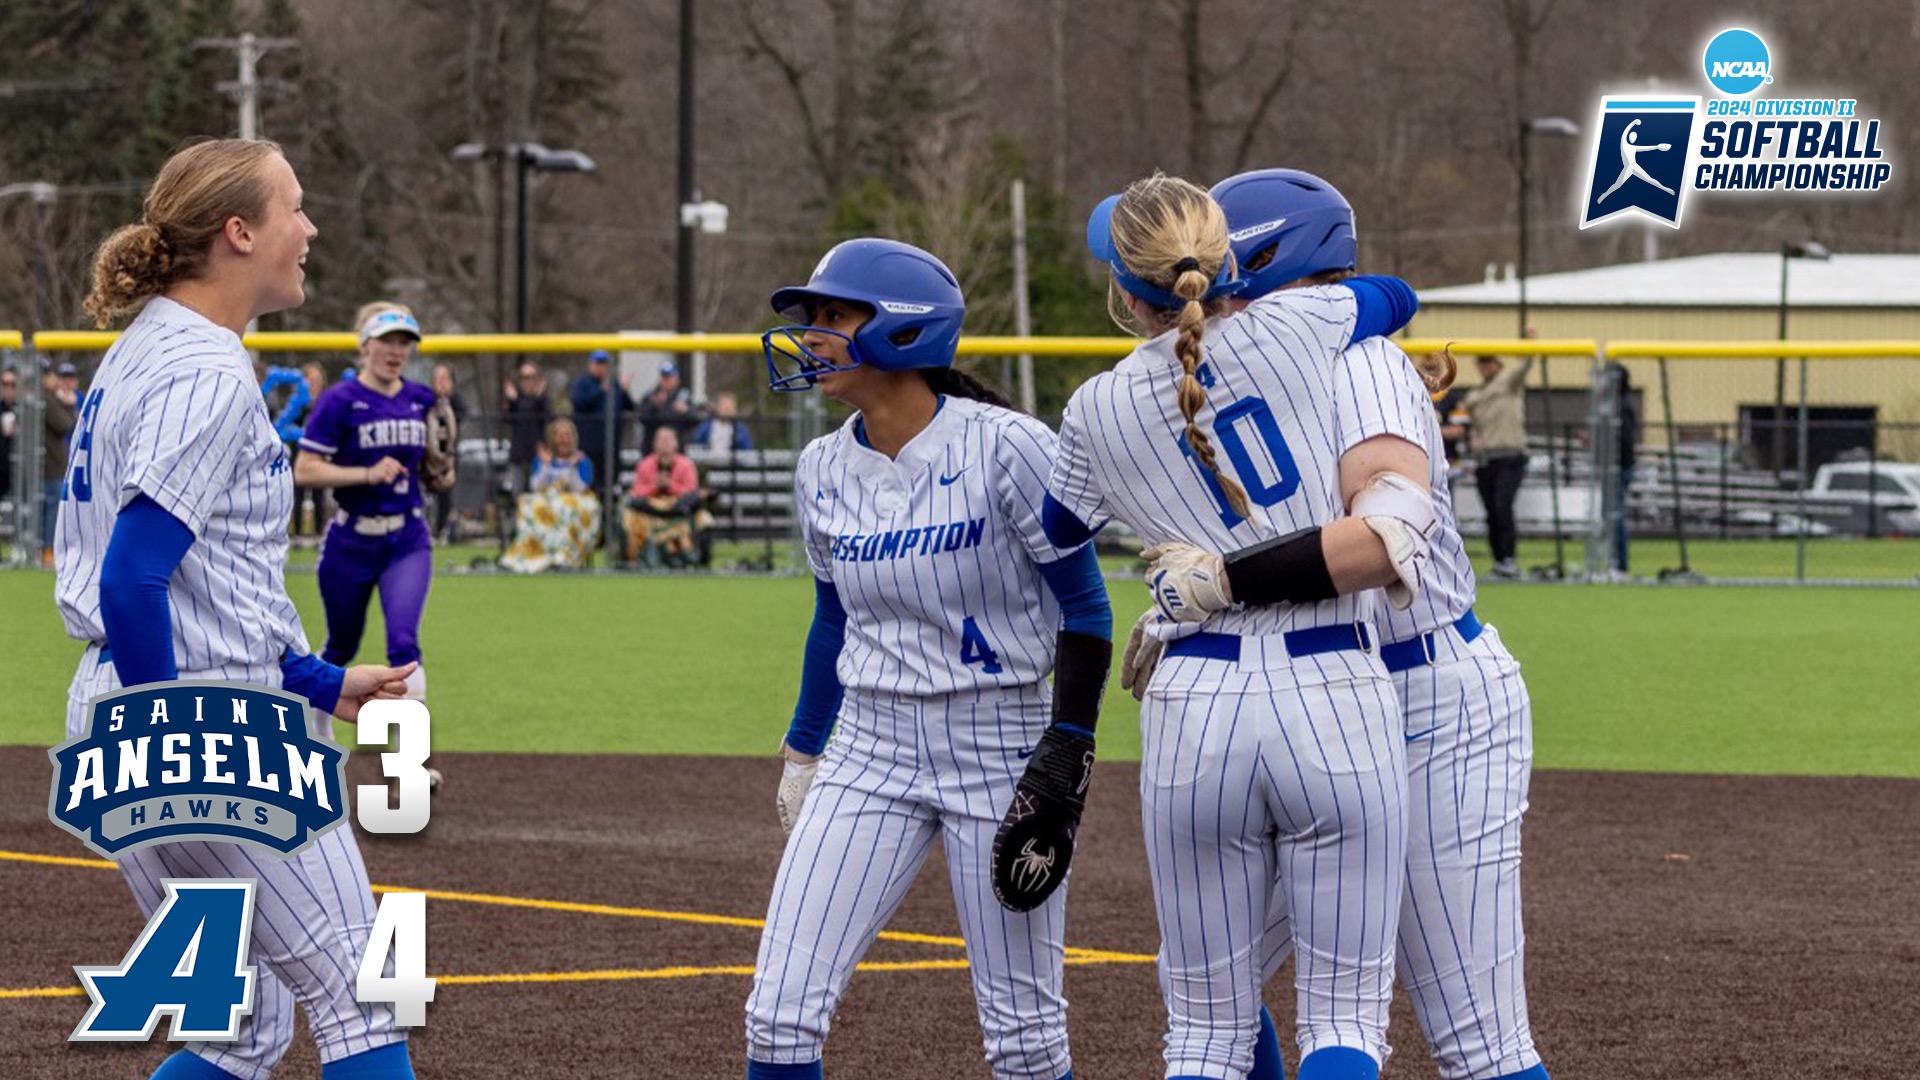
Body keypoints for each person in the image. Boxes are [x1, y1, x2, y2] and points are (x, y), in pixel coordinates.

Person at [1137, 167, 1550, 1080]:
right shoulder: (1242, 364)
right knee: (1206, 987)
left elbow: (1380, 537)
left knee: (1476, 1035)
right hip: (1309, 701)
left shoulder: (1361, 362)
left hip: (1425, 698)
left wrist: (1218, 587)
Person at [1042, 172, 1422, 1080]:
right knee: (1344, 1021)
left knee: (1205, 1033)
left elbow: (1057, 530)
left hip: (1195, 695)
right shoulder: (1302, 324)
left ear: (1123, 291)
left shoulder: (1095, 407)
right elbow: (1396, 297)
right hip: (1335, 681)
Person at [55, 136, 419, 1080]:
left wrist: (317, 679)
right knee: (366, 991)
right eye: (293, 207)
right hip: (193, 713)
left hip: (135, 695)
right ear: (239, 232)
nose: (310, 227)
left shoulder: (149, 349)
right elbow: (132, 578)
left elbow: (207, 581)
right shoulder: (204, 372)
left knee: (241, 1026)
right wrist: (165, 731)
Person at [743, 237, 1112, 1080]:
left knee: (1026, 1040)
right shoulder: (821, 466)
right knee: (778, 1017)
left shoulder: (1008, 445)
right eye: (812, 317)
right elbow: (831, 620)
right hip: (868, 747)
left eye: (834, 315)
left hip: (1000, 744)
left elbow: (1087, 607)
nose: (812, 334)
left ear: (904, 329)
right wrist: (803, 750)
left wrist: (1068, 746)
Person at [293, 302, 439, 718]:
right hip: (351, 540)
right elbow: (305, 469)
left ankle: (408, 754)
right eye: (387, 341)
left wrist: (440, 467)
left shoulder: (420, 399)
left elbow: (434, 458)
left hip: (407, 538)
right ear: (365, 345)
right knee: (342, 644)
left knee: (404, 643)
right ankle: (315, 726)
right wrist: (367, 473)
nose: (396, 351)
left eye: (404, 342)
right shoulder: (340, 400)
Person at [1462, 333, 1536, 580]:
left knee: (1503, 506)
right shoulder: (1475, 394)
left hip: (1510, 456)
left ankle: (1508, 560)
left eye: (1489, 361)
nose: (1485, 366)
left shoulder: (1508, 382)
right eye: (1481, 362)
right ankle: (1498, 561)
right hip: (1486, 458)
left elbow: (1524, 365)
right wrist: (1473, 437)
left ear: (1497, 363)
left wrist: (1530, 343)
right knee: (1492, 511)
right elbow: (1471, 423)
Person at [501, 416, 601, 572]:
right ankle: (533, 552)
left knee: (566, 507)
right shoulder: (543, 460)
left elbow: (581, 488)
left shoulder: (581, 460)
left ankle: (565, 555)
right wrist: (545, 465)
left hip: (573, 500)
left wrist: (572, 468)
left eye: (566, 436)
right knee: (528, 503)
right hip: (548, 500)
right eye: (559, 435)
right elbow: (536, 486)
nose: (563, 440)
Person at [621, 425, 703, 567]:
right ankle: (637, 560)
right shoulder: (645, 465)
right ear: (654, 444)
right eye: (660, 439)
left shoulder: (686, 465)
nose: (664, 443)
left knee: (702, 519)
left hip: (678, 513)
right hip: (648, 512)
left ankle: (685, 559)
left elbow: (692, 493)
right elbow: (636, 493)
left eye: (668, 439)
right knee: (628, 517)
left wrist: (670, 485)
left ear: (676, 444)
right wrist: (655, 486)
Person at [569, 349, 633, 498]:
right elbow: (579, 402)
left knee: (610, 485)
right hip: (589, 446)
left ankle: (608, 511)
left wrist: (624, 392)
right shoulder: (583, 384)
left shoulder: (614, 385)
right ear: (590, 365)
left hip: (610, 446)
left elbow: (630, 407)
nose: (601, 367)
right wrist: (600, 390)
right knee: (589, 485)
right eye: (598, 364)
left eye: (604, 364)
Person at [42, 361, 79, 566]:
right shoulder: (47, 398)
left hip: (59, 462)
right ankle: (47, 549)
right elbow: (65, 424)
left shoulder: (54, 397)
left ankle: (47, 549)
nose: (56, 380)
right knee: (51, 508)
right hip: (52, 464)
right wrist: (68, 404)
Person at [1606, 361, 1639, 578]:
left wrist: (1615, 458)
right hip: (1615, 468)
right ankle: (1613, 562)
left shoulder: (1621, 406)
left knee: (1615, 516)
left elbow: (1625, 440)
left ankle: (1619, 564)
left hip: (1619, 469)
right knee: (1611, 516)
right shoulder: (1613, 405)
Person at [428, 362, 468, 543]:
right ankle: (427, 528)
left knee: (445, 492)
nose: (441, 382)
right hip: (430, 454)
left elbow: (462, 415)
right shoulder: (428, 400)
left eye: (445, 378)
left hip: (448, 454)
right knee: (429, 491)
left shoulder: (456, 400)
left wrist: (446, 402)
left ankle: (443, 530)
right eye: (438, 378)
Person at [501, 360, 553, 495]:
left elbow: (546, 418)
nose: (527, 381)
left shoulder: (543, 400)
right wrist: (513, 401)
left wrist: (537, 399)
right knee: (517, 494)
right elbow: (508, 419)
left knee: (537, 493)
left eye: (531, 377)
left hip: (537, 454)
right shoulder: (515, 400)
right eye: (524, 377)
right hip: (518, 454)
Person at [638, 358, 695, 451]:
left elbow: (695, 419)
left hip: (677, 451)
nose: (666, 381)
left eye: (669, 377)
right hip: (653, 450)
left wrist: (685, 411)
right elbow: (641, 417)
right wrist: (654, 407)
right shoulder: (652, 396)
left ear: (677, 379)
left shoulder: (683, 397)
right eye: (664, 377)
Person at [690, 389, 754, 451]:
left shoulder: (741, 430)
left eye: (730, 408)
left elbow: (747, 450)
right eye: (724, 407)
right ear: (718, 408)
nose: (727, 411)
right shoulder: (706, 427)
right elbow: (697, 445)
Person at [1, 366, 18, 505]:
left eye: (13, 384)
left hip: (20, 472)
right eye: (5, 384)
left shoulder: (26, 409)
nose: (9, 388)